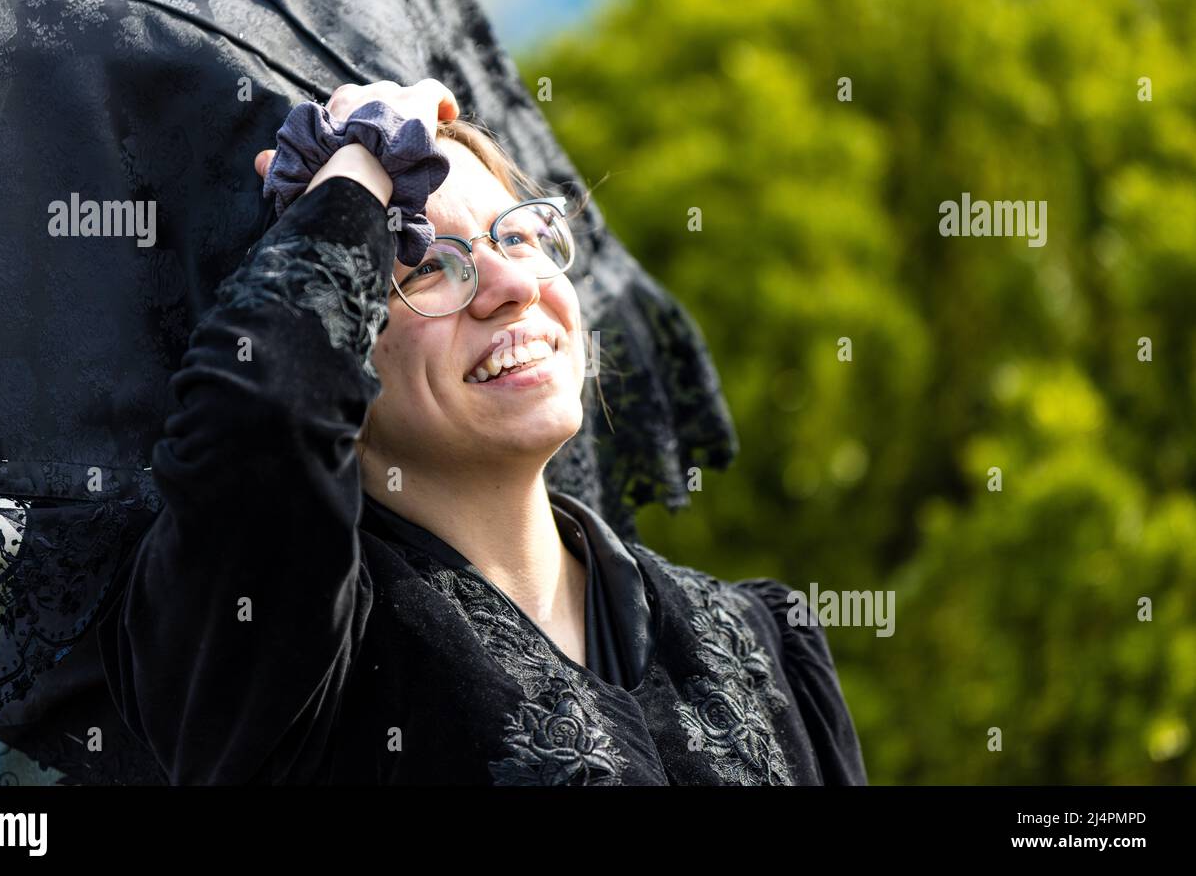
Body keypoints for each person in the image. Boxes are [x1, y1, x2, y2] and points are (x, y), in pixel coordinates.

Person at [95, 78, 869, 786]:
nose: (511, 285)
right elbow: (260, 412)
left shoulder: (760, 638)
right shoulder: (296, 660)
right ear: (336, 332)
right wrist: (363, 161)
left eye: (520, 235)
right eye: (426, 265)